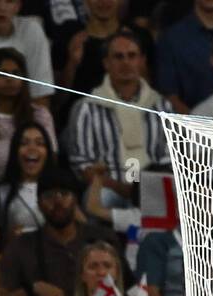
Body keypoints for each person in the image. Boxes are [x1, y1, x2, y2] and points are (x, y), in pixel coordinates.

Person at [0, 163, 117, 296]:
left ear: (75, 199)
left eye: (64, 194)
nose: (58, 202)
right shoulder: (21, 246)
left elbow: (131, 289)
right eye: (49, 196)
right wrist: (32, 289)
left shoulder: (101, 239)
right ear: (39, 202)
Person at [63, 29, 170, 206]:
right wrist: (120, 187)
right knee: (100, 198)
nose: (126, 62)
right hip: (109, 189)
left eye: (132, 56)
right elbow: (81, 164)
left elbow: (168, 159)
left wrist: (142, 190)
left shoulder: (161, 106)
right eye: (118, 57)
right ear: (106, 63)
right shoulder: (86, 108)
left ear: (142, 61)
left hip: (153, 191)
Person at [0, 46, 56, 183]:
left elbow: (51, 160)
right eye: (3, 74)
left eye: (16, 73)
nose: (10, 79)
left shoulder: (41, 115)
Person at [0, 120, 55, 238]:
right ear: (15, 151)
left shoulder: (60, 191)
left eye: (39, 143)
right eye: (24, 143)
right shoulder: (2, 193)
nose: (32, 148)